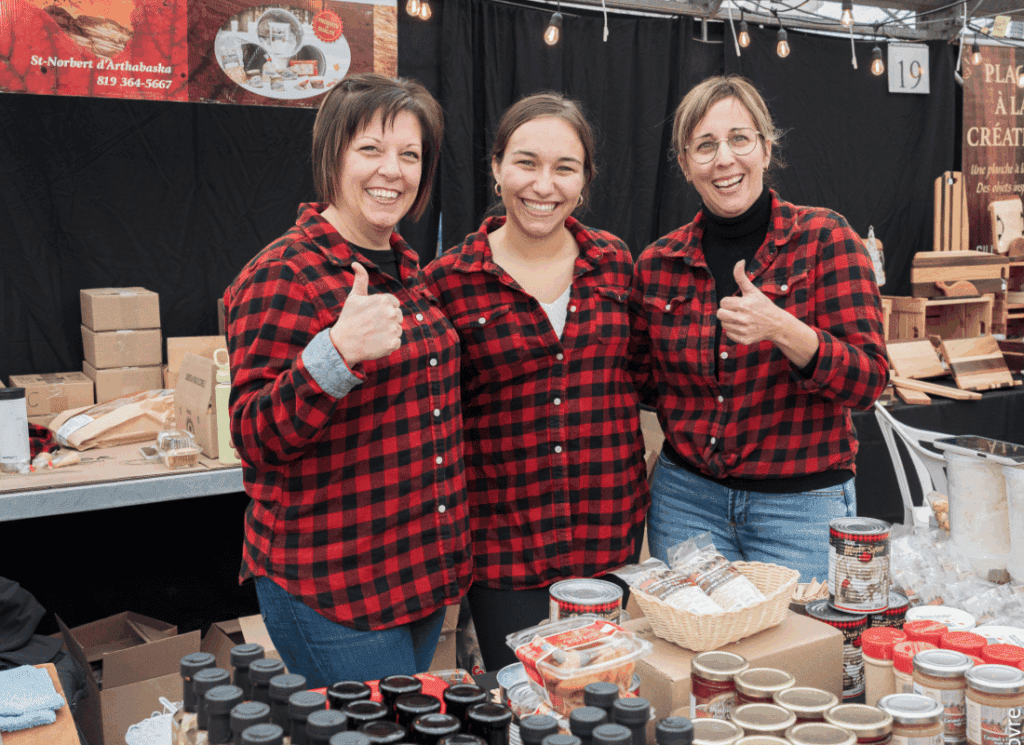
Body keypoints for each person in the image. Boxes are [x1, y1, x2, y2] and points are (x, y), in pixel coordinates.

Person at [222, 73, 470, 686]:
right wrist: (335, 353)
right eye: (370, 149)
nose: (392, 171)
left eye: (410, 155)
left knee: (404, 725)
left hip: (417, 576)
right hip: (335, 586)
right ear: (331, 155)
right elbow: (253, 436)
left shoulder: (408, 269)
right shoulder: (283, 274)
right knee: (377, 729)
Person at [423, 92, 650, 671]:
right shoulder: (448, 281)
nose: (543, 185)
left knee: (605, 694)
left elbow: (642, 377)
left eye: (564, 168)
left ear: (585, 181)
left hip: (608, 540)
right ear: (497, 168)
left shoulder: (616, 264)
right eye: (526, 162)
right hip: (504, 552)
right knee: (522, 699)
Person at [633, 75, 888, 583]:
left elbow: (868, 383)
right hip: (687, 503)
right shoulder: (658, 264)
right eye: (705, 145)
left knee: (800, 636)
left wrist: (784, 329)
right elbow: (643, 382)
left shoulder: (825, 239)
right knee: (693, 635)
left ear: (766, 149)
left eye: (739, 139)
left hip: (800, 508)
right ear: (685, 164)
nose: (724, 159)